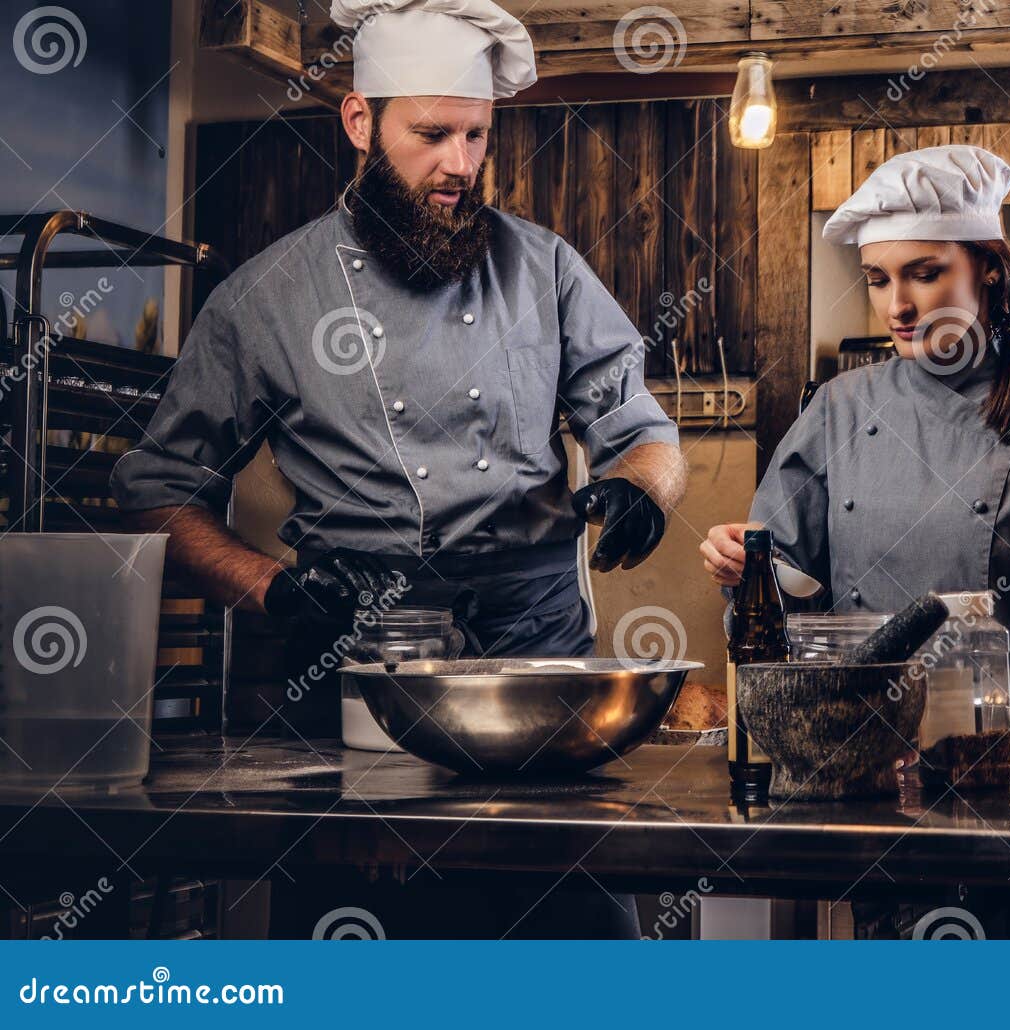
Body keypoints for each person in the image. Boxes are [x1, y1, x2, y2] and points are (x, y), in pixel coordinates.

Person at [111, 0, 685, 937]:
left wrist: (641, 491)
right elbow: (153, 495)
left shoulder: (543, 270)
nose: (459, 165)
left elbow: (641, 428)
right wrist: (276, 592)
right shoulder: (266, 296)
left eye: (475, 136)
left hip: (539, 681)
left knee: (580, 955)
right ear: (358, 122)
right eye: (431, 135)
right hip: (360, 681)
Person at [699, 145, 1010, 939]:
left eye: (924, 273)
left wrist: (957, 718)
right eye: (878, 280)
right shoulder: (838, 411)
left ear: (989, 271)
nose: (898, 305)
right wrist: (745, 572)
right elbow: (787, 618)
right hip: (876, 816)